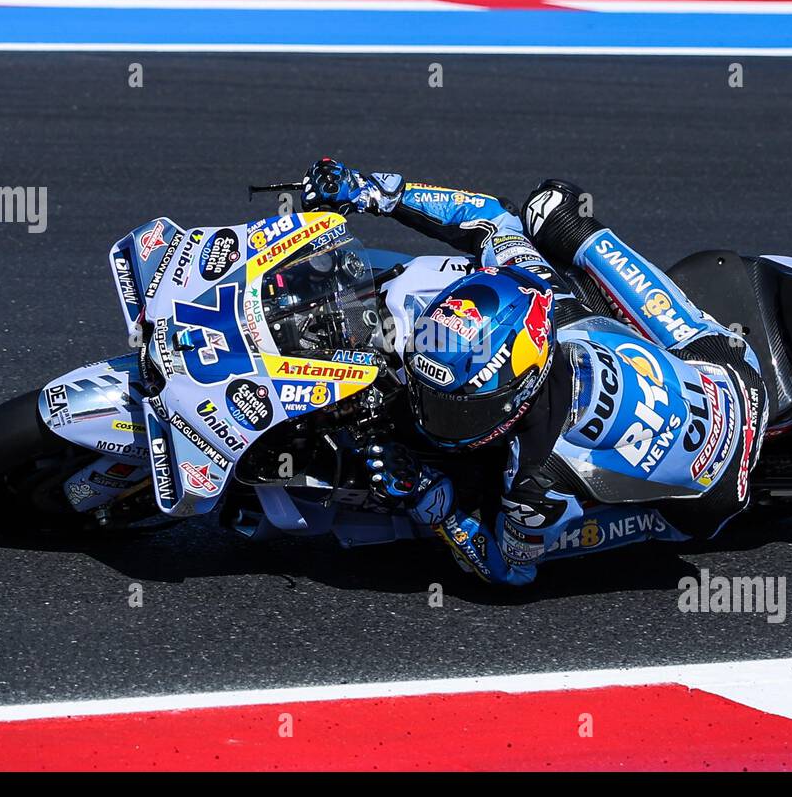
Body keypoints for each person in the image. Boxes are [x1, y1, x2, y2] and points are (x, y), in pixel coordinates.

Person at [301, 158, 768, 585]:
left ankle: (645, 525)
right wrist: (374, 192)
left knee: (536, 520)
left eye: (456, 408)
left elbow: (509, 571)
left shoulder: (534, 477)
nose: (432, 416)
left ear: (516, 394)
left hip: (722, 450)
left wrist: (428, 496)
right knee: (549, 209)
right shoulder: (542, 298)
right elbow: (491, 217)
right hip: (690, 364)